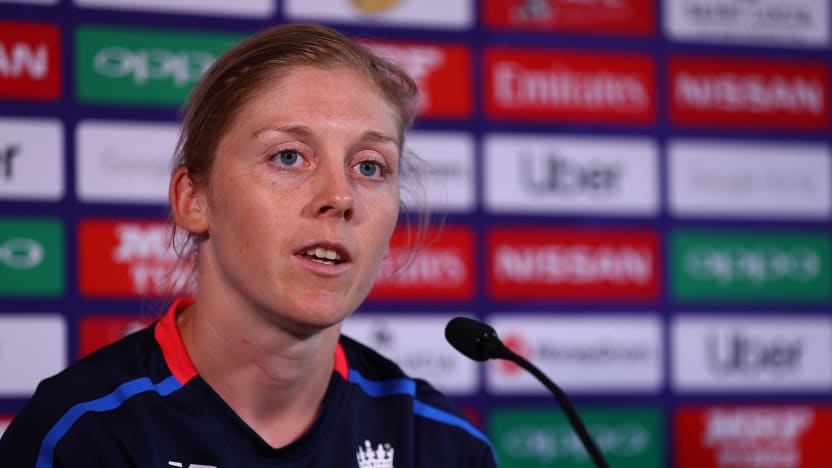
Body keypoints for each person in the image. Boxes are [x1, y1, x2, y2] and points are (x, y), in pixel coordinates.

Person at [0, 23, 497, 467]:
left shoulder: (442, 446)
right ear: (194, 198)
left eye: (370, 166)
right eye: (289, 156)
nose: (341, 197)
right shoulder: (77, 438)